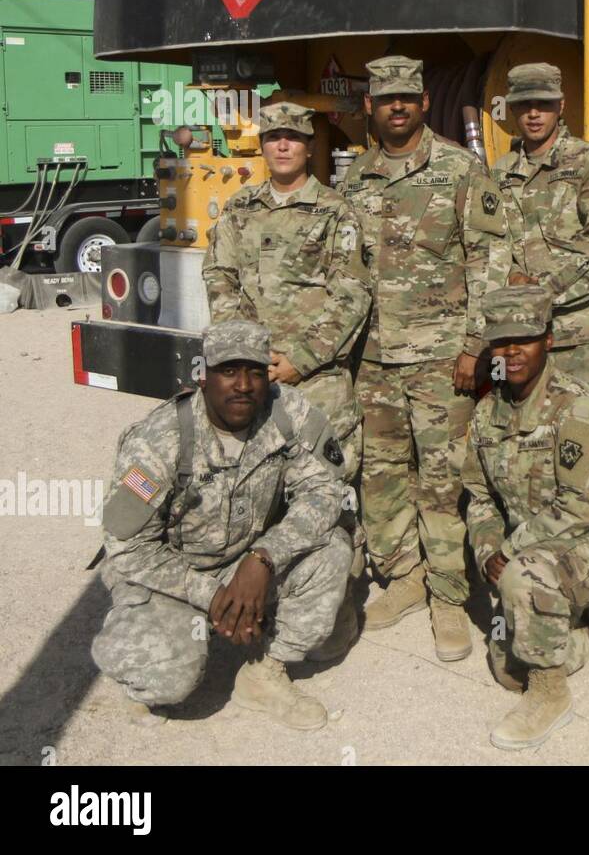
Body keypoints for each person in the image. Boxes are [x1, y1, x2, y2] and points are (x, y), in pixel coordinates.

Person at [91, 320, 351, 730]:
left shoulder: (289, 413)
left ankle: (265, 673)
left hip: (247, 558)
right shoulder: (159, 439)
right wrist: (213, 595)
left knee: (333, 547)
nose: (243, 385)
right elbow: (126, 546)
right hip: (172, 574)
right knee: (166, 681)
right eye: (228, 371)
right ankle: (147, 638)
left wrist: (264, 558)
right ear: (203, 376)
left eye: (254, 371)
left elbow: (324, 492)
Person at [341, 55, 511, 661]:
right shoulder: (355, 179)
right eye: (385, 98)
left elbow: (489, 259)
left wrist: (474, 347)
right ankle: (405, 576)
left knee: (442, 486)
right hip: (373, 361)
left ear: (419, 101)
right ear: (371, 106)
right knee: (382, 480)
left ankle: (447, 598)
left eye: (407, 97)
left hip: (443, 361)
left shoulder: (459, 169)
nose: (397, 106)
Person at [202, 99, 371, 660]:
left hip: (316, 381)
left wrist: (299, 356)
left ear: (308, 146)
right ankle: (270, 608)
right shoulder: (241, 207)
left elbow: (352, 295)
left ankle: (337, 611)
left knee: (331, 496)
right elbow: (219, 274)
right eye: (273, 136)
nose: (282, 146)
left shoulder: (334, 212)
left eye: (293, 139)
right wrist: (241, 349)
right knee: (266, 495)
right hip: (255, 384)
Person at [462, 285, 589, 750]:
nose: (511, 353)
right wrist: (489, 547)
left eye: (524, 340)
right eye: (501, 342)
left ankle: (550, 698)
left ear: (548, 340)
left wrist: (509, 553)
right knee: (506, 667)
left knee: (525, 583)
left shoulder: (579, 407)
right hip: (542, 551)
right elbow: (479, 496)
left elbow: (578, 508)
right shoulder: (487, 414)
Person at [490, 63, 589, 451]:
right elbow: (487, 244)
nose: (534, 114)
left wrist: (539, 291)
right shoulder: (500, 172)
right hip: (527, 343)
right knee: (534, 450)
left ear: (561, 105)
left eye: (544, 104)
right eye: (525, 106)